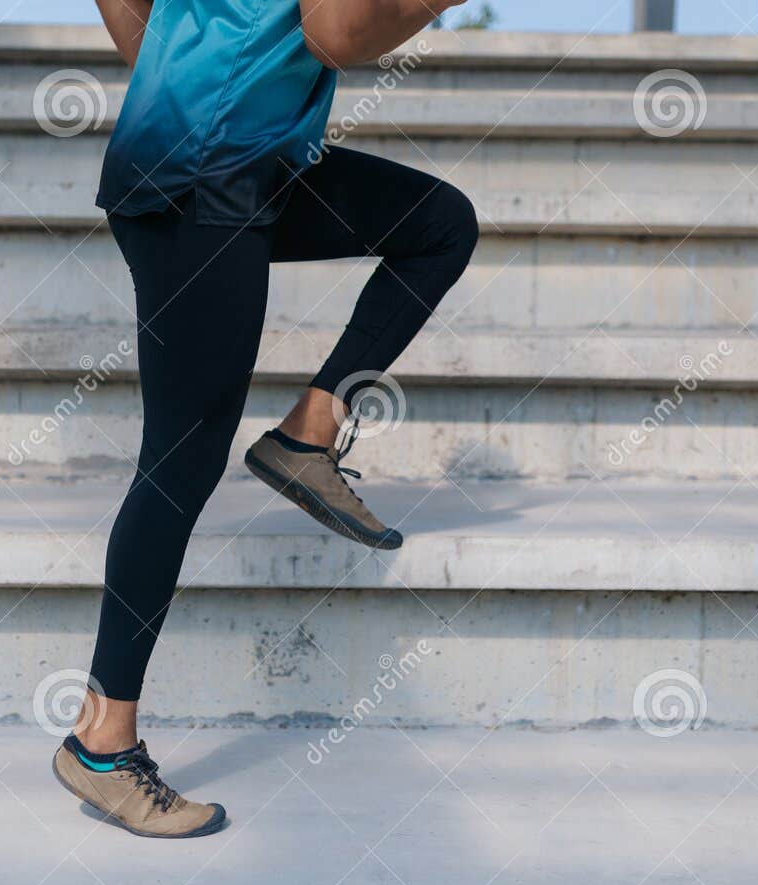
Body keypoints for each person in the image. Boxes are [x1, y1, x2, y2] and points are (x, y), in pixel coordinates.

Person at [52, 0, 478, 837]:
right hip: (204, 179)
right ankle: (102, 744)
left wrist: (173, 81)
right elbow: (332, 32)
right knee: (179, 464)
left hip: (240, 162)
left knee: (436, 224)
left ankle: (307, 433)